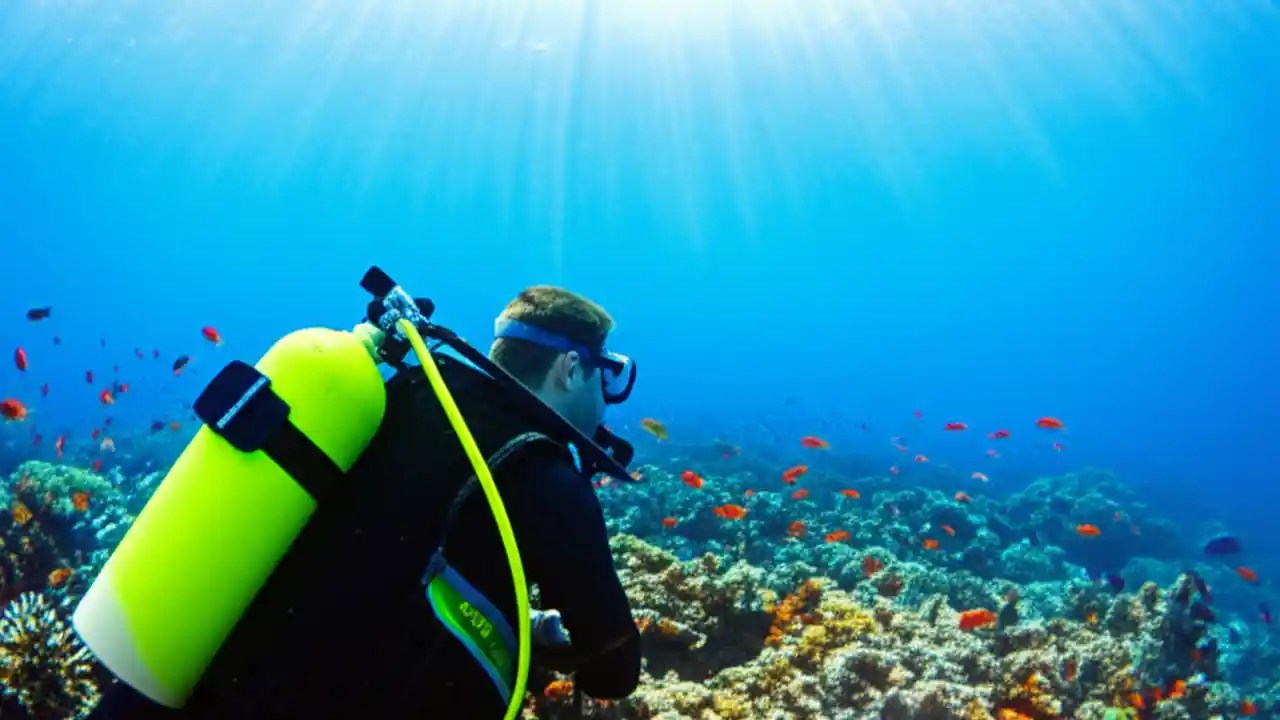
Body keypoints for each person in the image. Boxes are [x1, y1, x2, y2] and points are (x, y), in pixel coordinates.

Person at [90, 285, 642, 719]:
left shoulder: (394, 396)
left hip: (186, 683)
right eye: (607, 378)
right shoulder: (544, 473)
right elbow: (613, 671)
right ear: (570, 369)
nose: (606, 402)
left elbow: (383, 541)